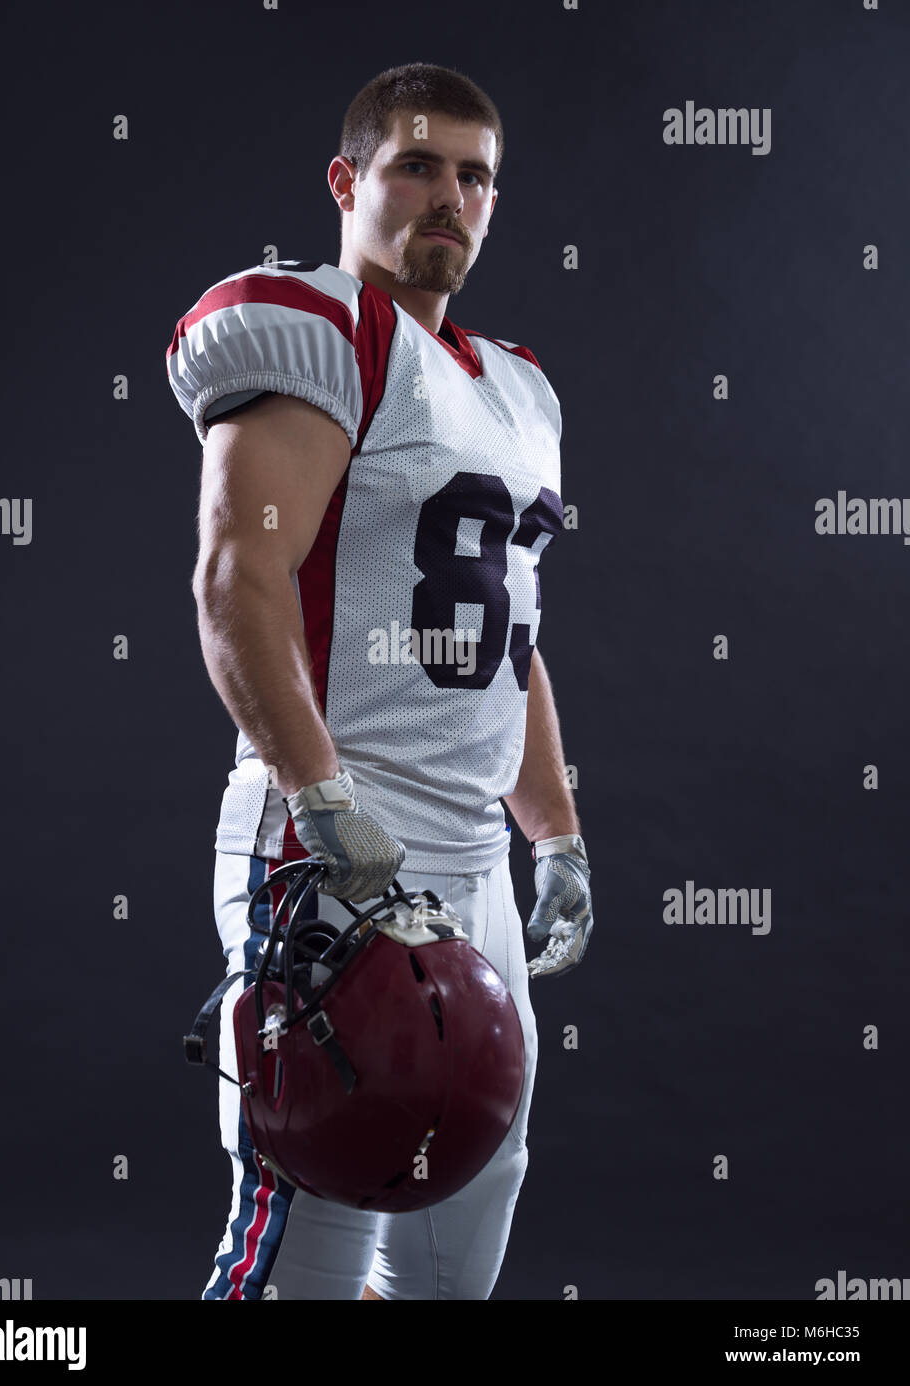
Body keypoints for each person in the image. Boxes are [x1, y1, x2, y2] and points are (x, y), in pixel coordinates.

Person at [165, 61, 594, 1301]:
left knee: (470, 1215)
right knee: (312, 1231)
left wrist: (555, 834)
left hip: (474, 863)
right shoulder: (323, 327)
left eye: (475, 175)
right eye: (418, 165)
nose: (449, 196)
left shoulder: (516, 386)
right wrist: (319, 795)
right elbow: (236, 579)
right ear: (349, 182)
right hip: (329, 849)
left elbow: (505, 635)